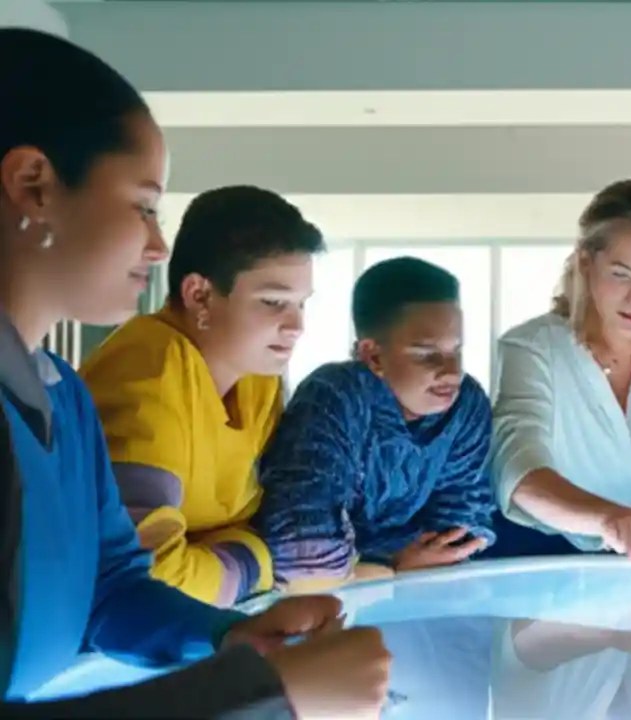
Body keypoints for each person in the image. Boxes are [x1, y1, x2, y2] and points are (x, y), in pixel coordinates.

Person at [0, 28, 387, 717]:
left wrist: (232, 634)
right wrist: (266, 693)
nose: (156, 245)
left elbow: (113, 587)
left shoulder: (62, 396)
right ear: (34, 185)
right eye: (144, 205)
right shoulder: (144, 371)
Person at [78, 185, 323, 608]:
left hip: (201, 637)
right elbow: (150, 578)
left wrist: (223, 560)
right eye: (273, 302)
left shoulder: (259, 379)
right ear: (199, 295)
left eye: (302, 304)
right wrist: (264, 565)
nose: (295, 325)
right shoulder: (149, 367)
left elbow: (272, 522)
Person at [486, 179, 631, 564]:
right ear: (585, 262)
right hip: (534, 561)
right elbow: (518, 469)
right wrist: (609, 519)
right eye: (621, 273)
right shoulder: (531, 348)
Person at [255, 257, 496, 590]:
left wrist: (421, 562)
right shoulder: (334, 396)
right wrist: (391, 566)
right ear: (373, 356)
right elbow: (302, 548)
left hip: (427, 587)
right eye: (427, 354)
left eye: (456, 350)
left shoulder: (465, 404)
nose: (451, 371)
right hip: (317, 601)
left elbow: (464, 522)